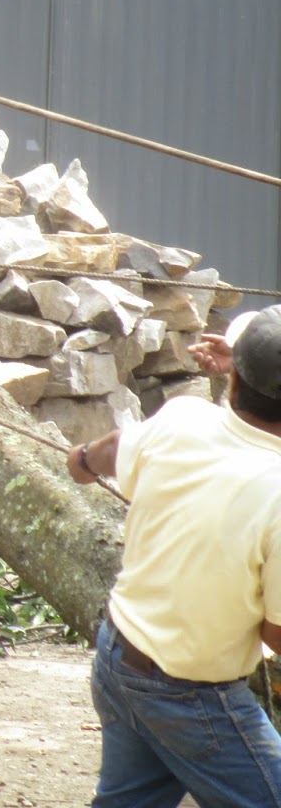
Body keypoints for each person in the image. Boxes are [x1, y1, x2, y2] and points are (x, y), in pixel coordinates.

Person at [67, 304, 281, 806]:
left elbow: (111, 448)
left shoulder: (183, 416)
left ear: (232, 380)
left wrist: (80, 461)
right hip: (191, 692)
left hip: (118, 651)